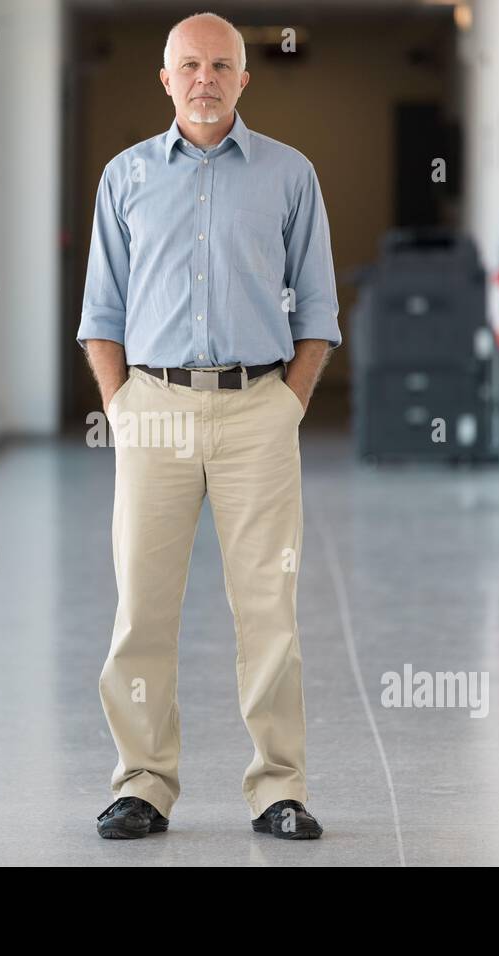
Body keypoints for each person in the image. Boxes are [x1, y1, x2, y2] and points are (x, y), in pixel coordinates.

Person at [77, 11, 341, 840]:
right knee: (142, 610)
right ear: (166, 79)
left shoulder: (290, 175)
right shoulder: (123, 178)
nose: (205, 79)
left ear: (243, 79)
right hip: (151, 408)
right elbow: (101, 312)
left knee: (270, 608)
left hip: (258, 408)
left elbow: (321, 310)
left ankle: (278, 789)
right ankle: (142, 784)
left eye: (221, 65)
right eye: (188, 65)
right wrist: (122, 405)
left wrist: (288, 403)